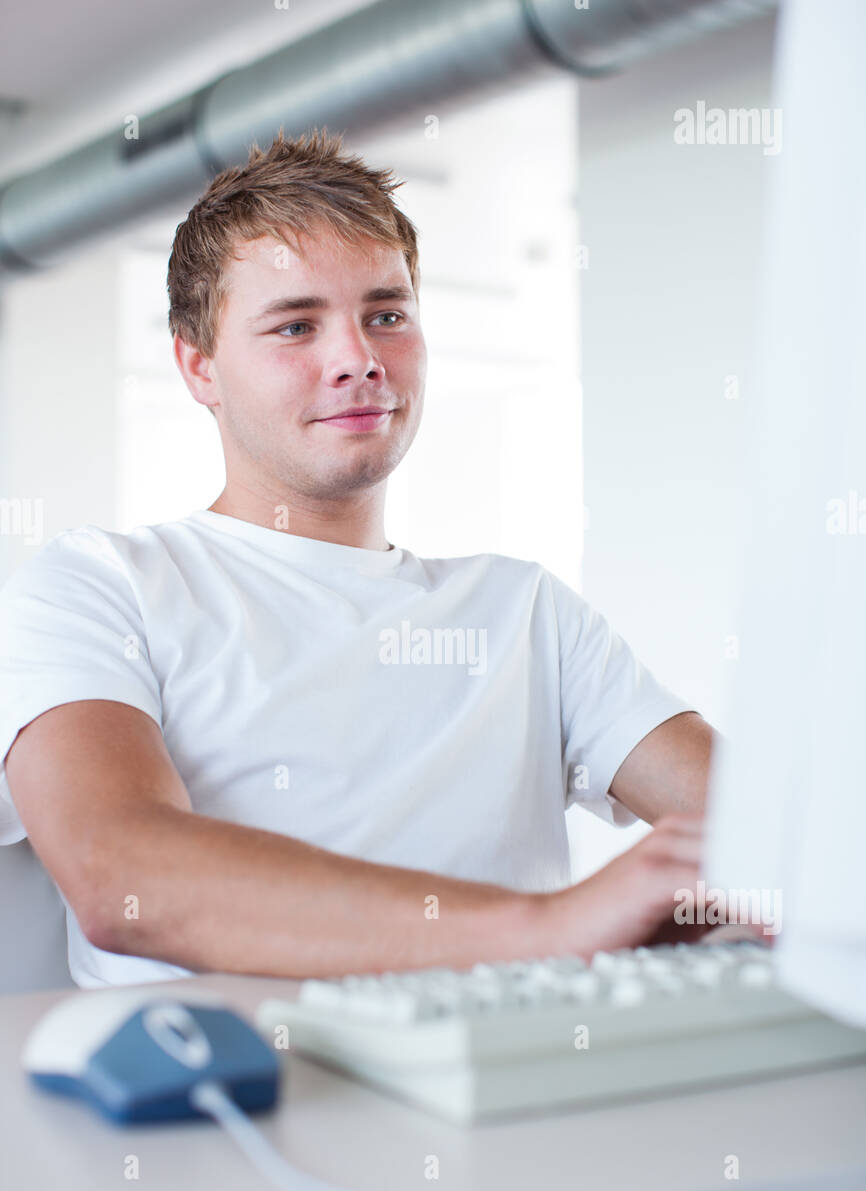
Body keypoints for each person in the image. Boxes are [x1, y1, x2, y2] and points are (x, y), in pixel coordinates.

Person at [0, 127, 718, 989]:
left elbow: (761, 827)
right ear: (199, 369)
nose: (359, 361)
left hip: (512, 1101)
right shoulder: (101, 587)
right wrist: (555, 927)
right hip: (229, 1104)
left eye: (386, 315)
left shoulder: (526, 611)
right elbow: (124, 881)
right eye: (296, 326)